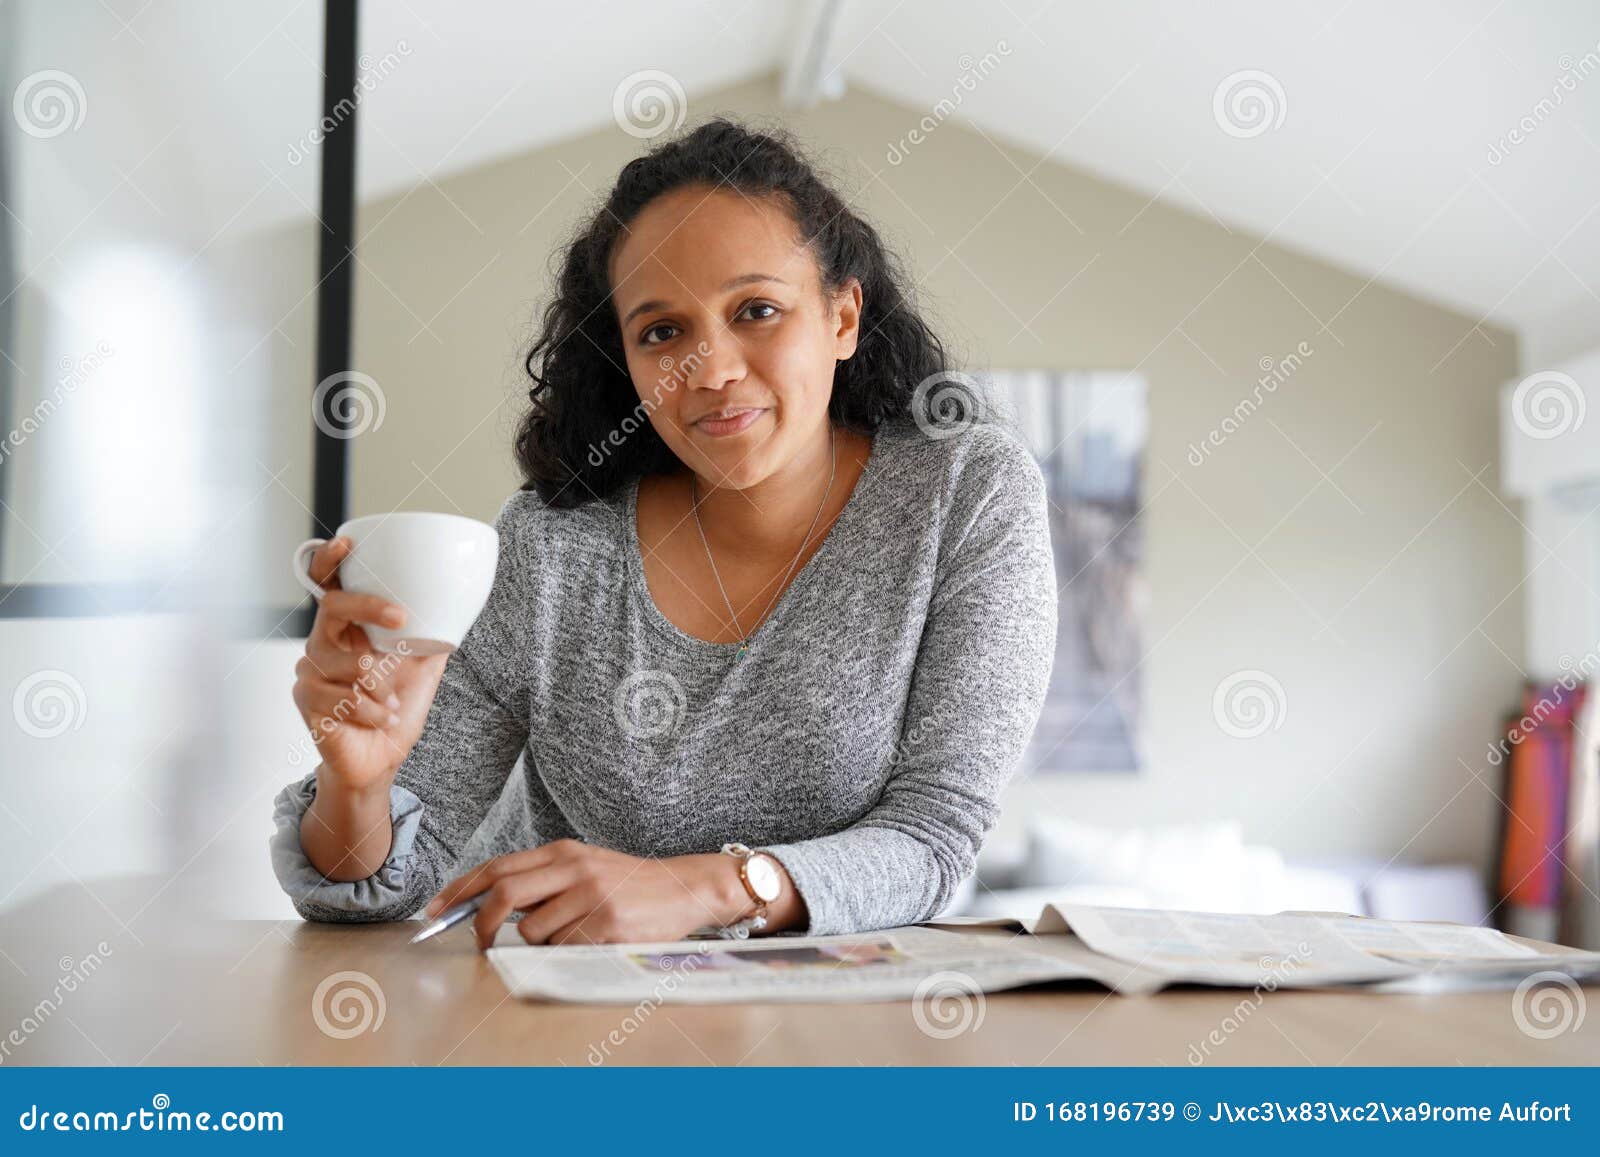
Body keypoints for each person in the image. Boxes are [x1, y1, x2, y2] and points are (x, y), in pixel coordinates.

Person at [270, 116, 1058, 949]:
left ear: (843, 316)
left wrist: (704, 890)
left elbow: (934, 837)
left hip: (838, 1016)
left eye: (757, 309)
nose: (709, 369)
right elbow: (381, 885)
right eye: (662, 332)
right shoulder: (550, 548)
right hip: (555, 1003)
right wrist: (356, 781)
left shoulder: (963, 494)